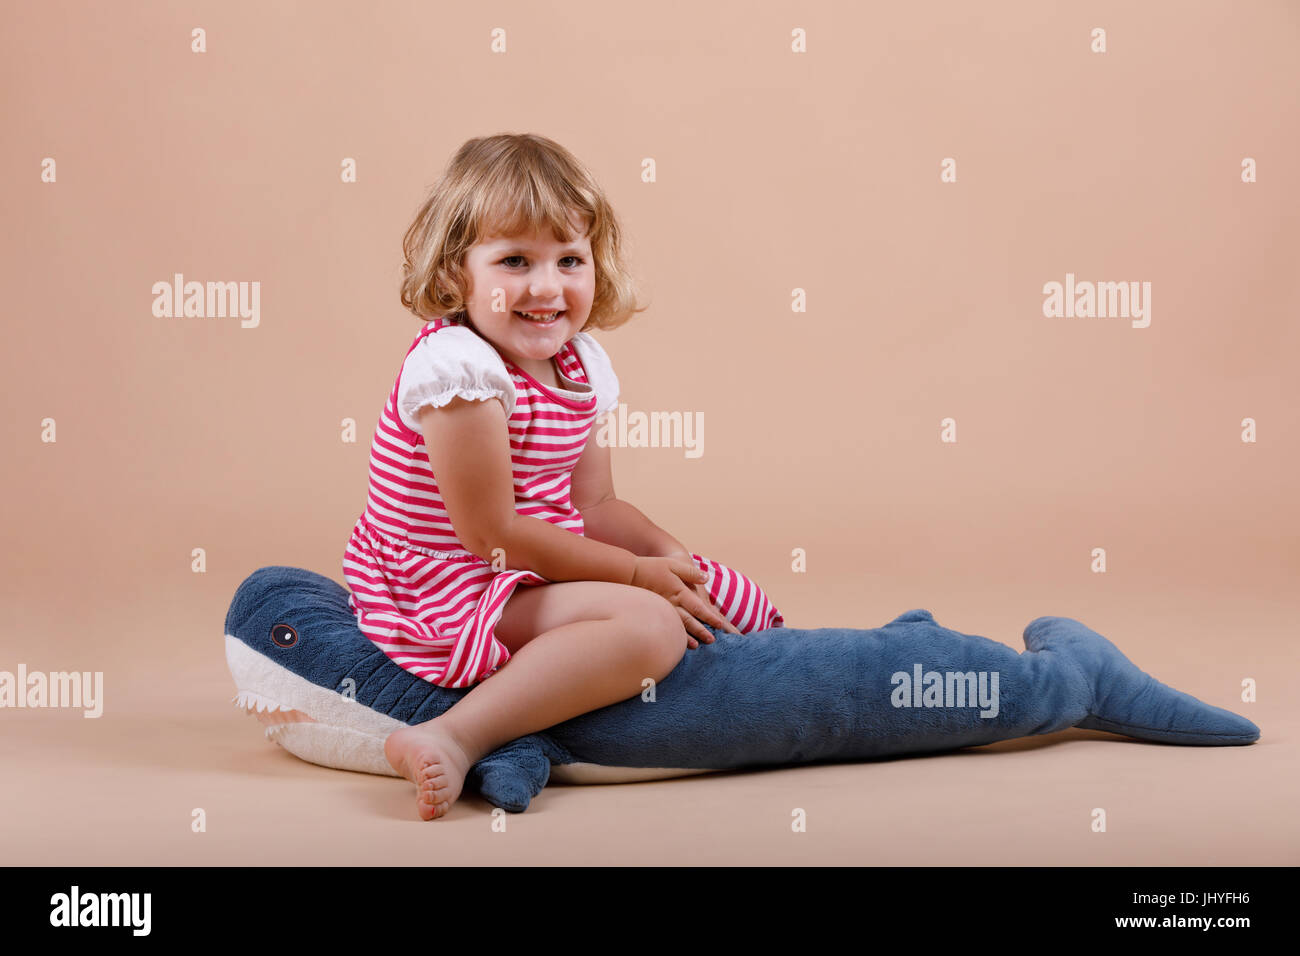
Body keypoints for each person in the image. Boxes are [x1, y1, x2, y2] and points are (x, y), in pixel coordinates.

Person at [341, 133, 784, 819]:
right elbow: (492, 534)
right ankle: (454, 735)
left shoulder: (579, 364)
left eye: (568, 260)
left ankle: (751, 697)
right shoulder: (460, 372)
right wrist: (633, 579)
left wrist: (666, 555)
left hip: (535, 561)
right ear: (458, 273)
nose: (546, 287)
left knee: (731, 595)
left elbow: (596, 505)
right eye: (514, 260)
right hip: (452, 578)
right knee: (651, 626)